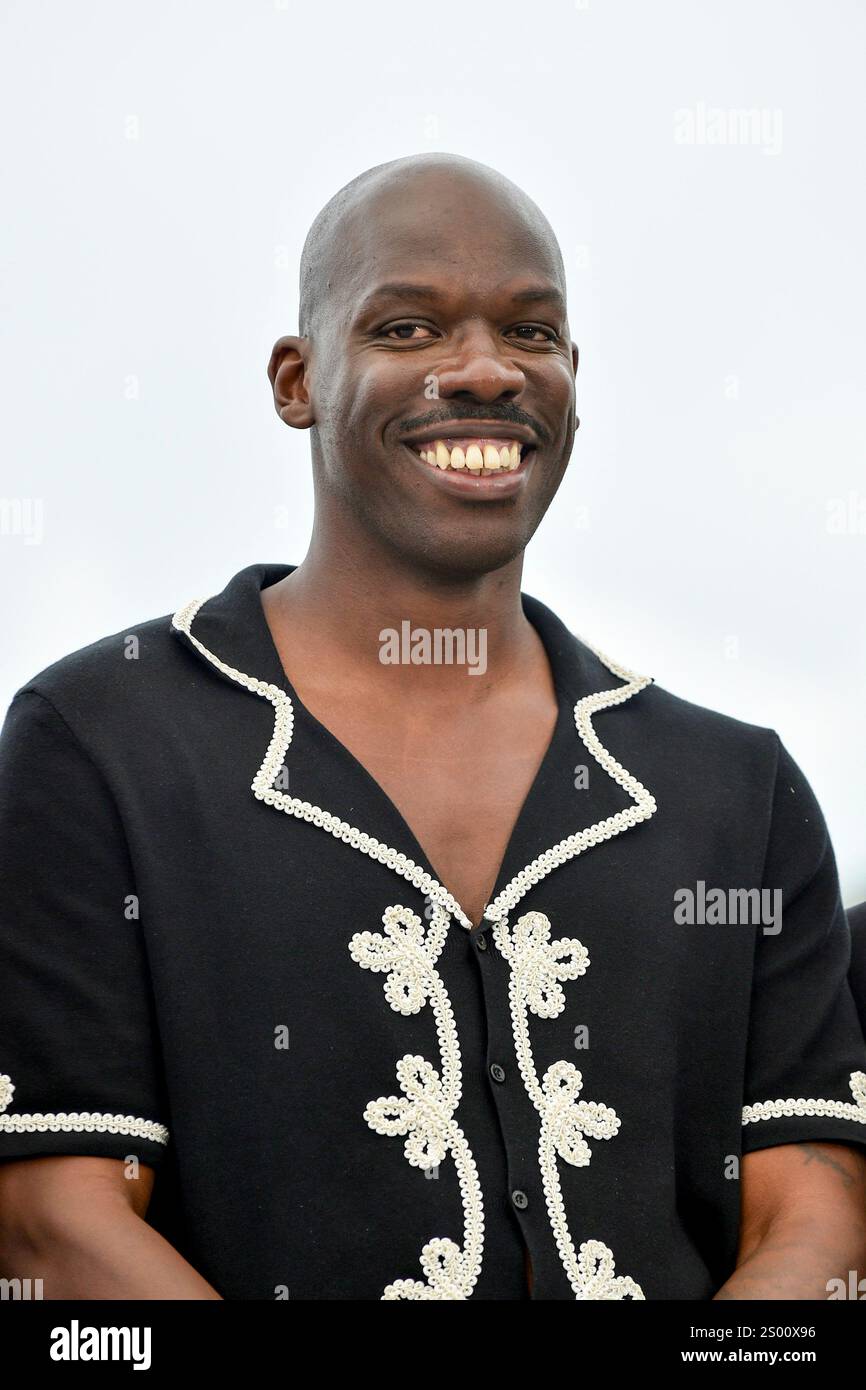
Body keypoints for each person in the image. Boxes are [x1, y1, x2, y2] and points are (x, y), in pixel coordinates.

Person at [1, 153, 864, 1301]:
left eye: (532, 332)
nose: (484, 371)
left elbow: (812, 1217)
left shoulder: (733, 790)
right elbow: (51, 1225)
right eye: (407, 327)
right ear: (296, 380)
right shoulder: (101, 740)